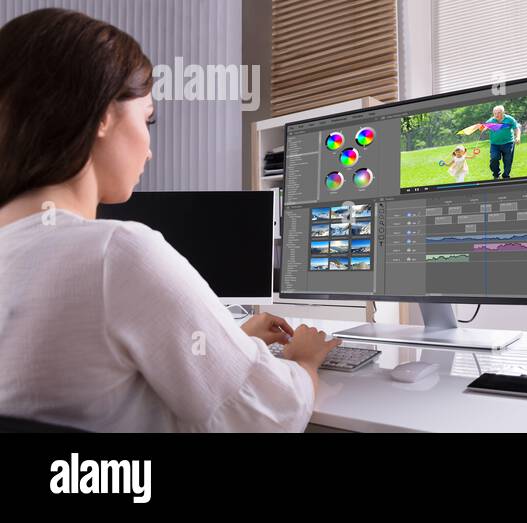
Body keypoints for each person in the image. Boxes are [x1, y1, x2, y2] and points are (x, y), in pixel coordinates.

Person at [0, 8, 340, 432]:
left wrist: (232, 341)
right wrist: (304, 360)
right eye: (148, 119)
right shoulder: (116, 252)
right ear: (103, 114)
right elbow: (263, 417)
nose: (149, 151)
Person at [485, 105, 520, 179]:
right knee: (494, 158)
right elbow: (484, 128)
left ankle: (506, 176)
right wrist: (482, 128)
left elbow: (517, 128)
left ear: (503, 112)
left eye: (499, 113)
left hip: (508, 143)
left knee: (508, 161)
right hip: (495, 144)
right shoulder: (490, 121)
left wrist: (518, 137)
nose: (497, 115)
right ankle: (496, 174)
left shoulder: (509, 119)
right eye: (495, 113)